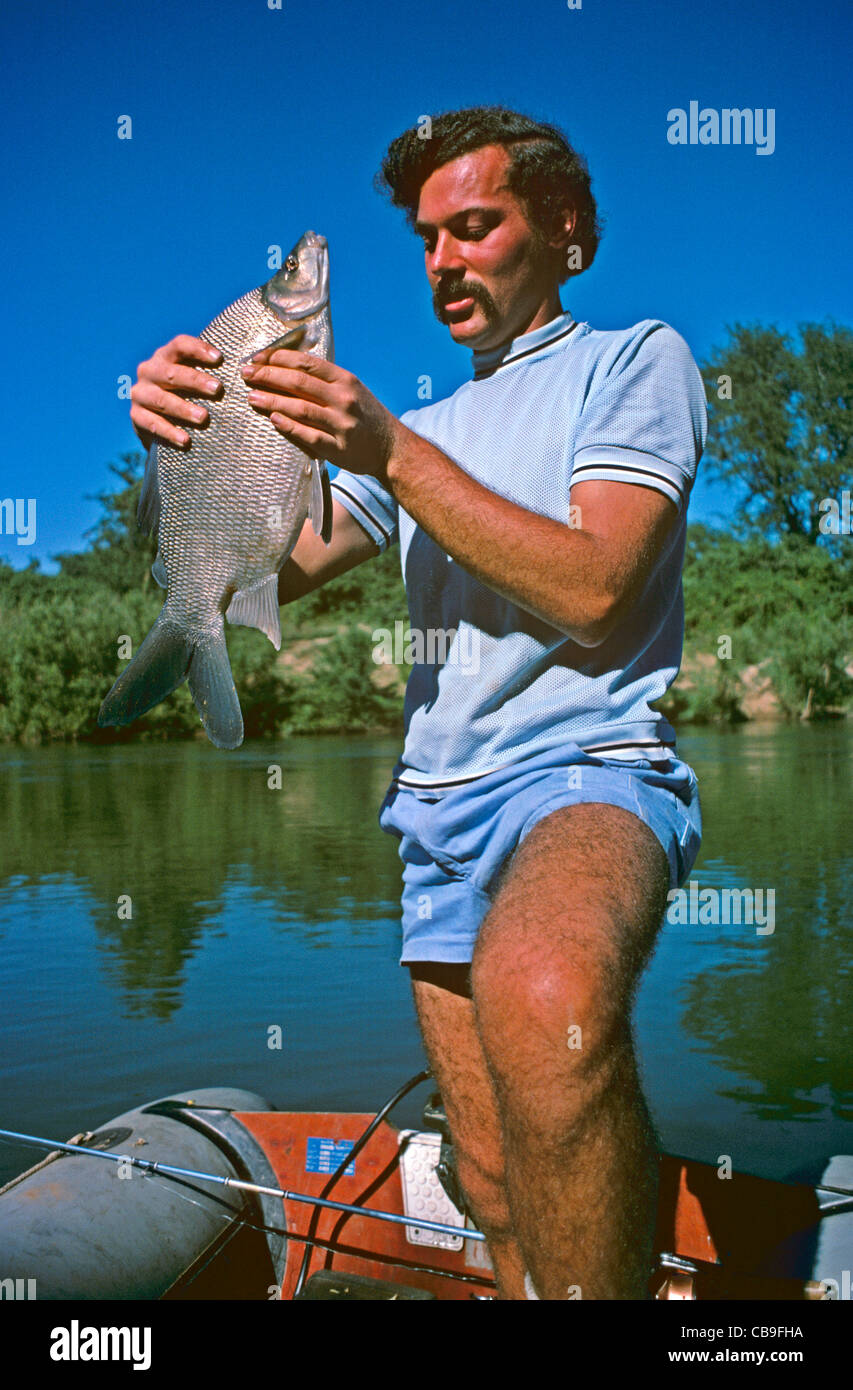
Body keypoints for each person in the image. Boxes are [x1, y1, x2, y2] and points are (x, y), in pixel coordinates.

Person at [130, 105, 706, 1300]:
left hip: (586, 772)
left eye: (476, 226)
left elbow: (596, 587)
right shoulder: (430, 429)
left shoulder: (634, 360)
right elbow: (265, 575)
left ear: (564, 233)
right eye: (428, 238)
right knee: (490, 1174)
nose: (443, 259)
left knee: (546, 994)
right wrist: (179, 437)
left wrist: (387, 450)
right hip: (434, 810)